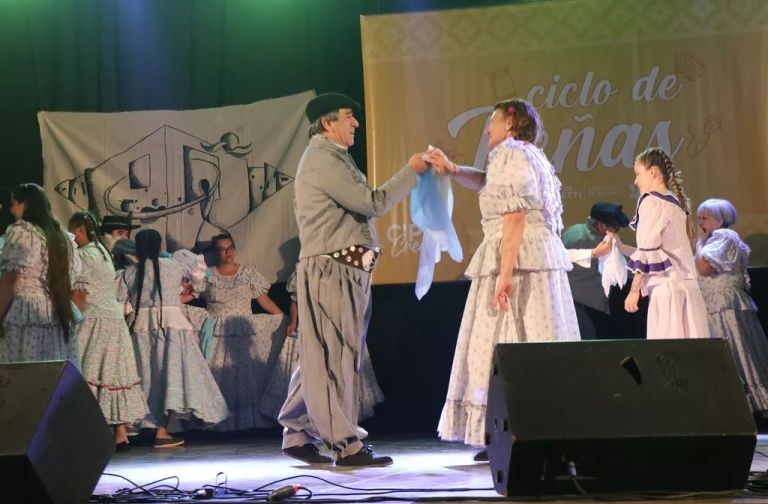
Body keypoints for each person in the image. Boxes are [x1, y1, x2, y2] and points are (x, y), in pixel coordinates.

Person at [425, 98, 581, 459]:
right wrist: (451, 169)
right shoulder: (527, 154)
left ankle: (509, 430)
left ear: (510, 121)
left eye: (492, 121)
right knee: (536, 335)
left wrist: (506, 273)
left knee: (506, 337)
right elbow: (485, 182)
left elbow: (514, 215)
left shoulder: (509, 154)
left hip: (518, 255)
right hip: (535, 257)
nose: (486, 129)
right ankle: (536, 426)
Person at [277, 92, 428, 467]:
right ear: (328, 123)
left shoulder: (332, 157)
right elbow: (373, 202)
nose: (355, 123)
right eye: (348, 117)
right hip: (333, 268)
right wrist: (411, 170)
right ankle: (346, 444)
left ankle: (296, 431)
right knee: (334, 358)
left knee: (323, 354)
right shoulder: (323, 158)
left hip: (343, 268)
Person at [116, 229, 228, 447]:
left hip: (141, 328)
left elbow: (121, 303)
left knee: (146, 378)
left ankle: (137, 427)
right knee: (171, 378)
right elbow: (199, 282)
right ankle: (162, 430)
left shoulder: (130, 273)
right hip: (172, 328)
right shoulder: (175, 265)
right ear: (160, 247)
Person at [607, 147, 708, 339]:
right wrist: (620, 246)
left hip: (669, 291)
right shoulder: (673, 201)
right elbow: (654, 250)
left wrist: (634, 290)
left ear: (652, 172)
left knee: (670, 355)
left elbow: (648, 250)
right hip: (688, 290)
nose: (636, 181)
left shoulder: (651, 201)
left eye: (638, 174)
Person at [68, 211, 149, 451]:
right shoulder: (103, 253)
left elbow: (80, 294)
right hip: (113, 320)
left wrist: (70, 319)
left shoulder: (83, 255)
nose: (71, 237)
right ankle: (120, 433)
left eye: (72, 232)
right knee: (113, 374)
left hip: (94, 320)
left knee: (87, 372)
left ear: (80, 229)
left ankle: (88, 433)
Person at [260, 269, 385, 422]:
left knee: (338, 371)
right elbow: (296, 299)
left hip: (335, 324)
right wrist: (293, 321)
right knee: (308, 372)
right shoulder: (303, 268)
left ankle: (342, 419)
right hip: (310, 324)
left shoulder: (338, 267)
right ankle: (305, 417)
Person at [197, 232, 288, 431]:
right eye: (222, 249)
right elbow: (189, 294)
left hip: (242, 329)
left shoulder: (247, 273)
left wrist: (283, 319)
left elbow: (262, 299)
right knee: (218, 377)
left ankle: (248, 423)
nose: (227, 253)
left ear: (234, 249)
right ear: (215, 252)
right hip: (216, 331)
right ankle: (218, 421)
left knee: (245, 376)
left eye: (230, 248)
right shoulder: (207, 275)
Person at [695, 198, 768, 412]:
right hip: (718, 305)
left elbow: (705, 267)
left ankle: (740, 404)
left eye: (705, 218)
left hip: (724, 307)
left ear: (719, 220)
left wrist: (699, 243)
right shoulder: (719, 238)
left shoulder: (723, 236)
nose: (701, 222)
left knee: (733, 353)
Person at [0, 183, 81, 364]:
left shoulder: (23, 232)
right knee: (51, 375)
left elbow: (12, 277)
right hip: (56, 310)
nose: (12, 209)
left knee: (23, 373)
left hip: (26, 312)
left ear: (26, 204)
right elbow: (72, 276)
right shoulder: (61, 237)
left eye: (14, 203)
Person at [562, 202, 630, 339]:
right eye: (615, 228)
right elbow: (622, 270)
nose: (616, 232)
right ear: (601, 225)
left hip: (574, 304)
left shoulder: (573, 231)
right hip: (587, 308)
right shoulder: (599, 242)